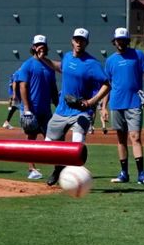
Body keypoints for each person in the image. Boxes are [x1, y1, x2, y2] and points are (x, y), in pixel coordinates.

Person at [39, 28, 110, 186]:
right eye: (77, 39)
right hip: (62, 110)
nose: (79, 42)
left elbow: (107, 85)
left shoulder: (92, 64)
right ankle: (59, 168)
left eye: (82, 40)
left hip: (81, 112)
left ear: (86, 43)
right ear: (72, 41)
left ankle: (74, 177)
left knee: (76, 146)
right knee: (48, 146)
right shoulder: (67, 57)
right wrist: (44, 58)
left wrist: (91, 102)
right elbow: (60, 67)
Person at [103, 27, 144, 185]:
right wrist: (103, 106)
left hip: (134, 102)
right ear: (114, 41)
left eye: (123, 40)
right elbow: (107, 85)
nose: (120, 42)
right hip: (116, 104)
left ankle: (141, 174)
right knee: (121, 139)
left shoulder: (138, 55)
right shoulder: (110, 61)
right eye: (118, 40)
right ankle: (124, 174)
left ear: (127, 41)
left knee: (135, 137)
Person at [16, 34, 59, 159]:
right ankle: (31, 167)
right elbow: (22, 86)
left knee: (51, 137)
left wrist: (58, 105)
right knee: (31, 138)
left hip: (45, 109)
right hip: (32, 110)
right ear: (33, 47)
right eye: (38, 45)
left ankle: (55, 165)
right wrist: (26, 108)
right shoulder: (27, 65)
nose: (41, 47)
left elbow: (53, 88)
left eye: (43, 45)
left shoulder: (50, 66)